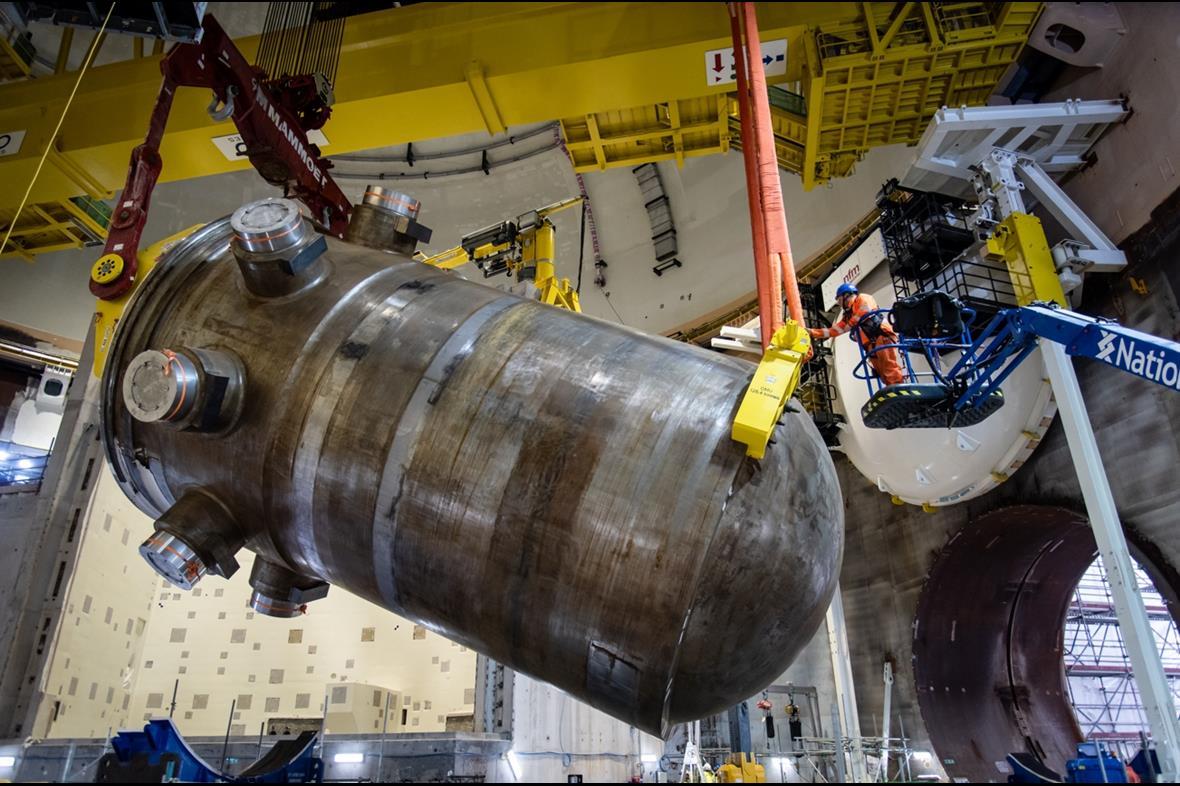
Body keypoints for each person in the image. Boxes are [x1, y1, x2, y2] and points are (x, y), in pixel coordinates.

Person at [808, 282, 905, 386]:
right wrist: (812, 332)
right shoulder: (848, 316)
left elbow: (865, 310)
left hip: (882, 335)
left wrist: (850, 324)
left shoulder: (862, 298)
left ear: (846, 295)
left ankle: (899, 390)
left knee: (889, 367)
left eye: (840, 300)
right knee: (881, 372)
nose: (840, 304)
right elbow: (833, 331)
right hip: (870, 344)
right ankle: (892, 390)